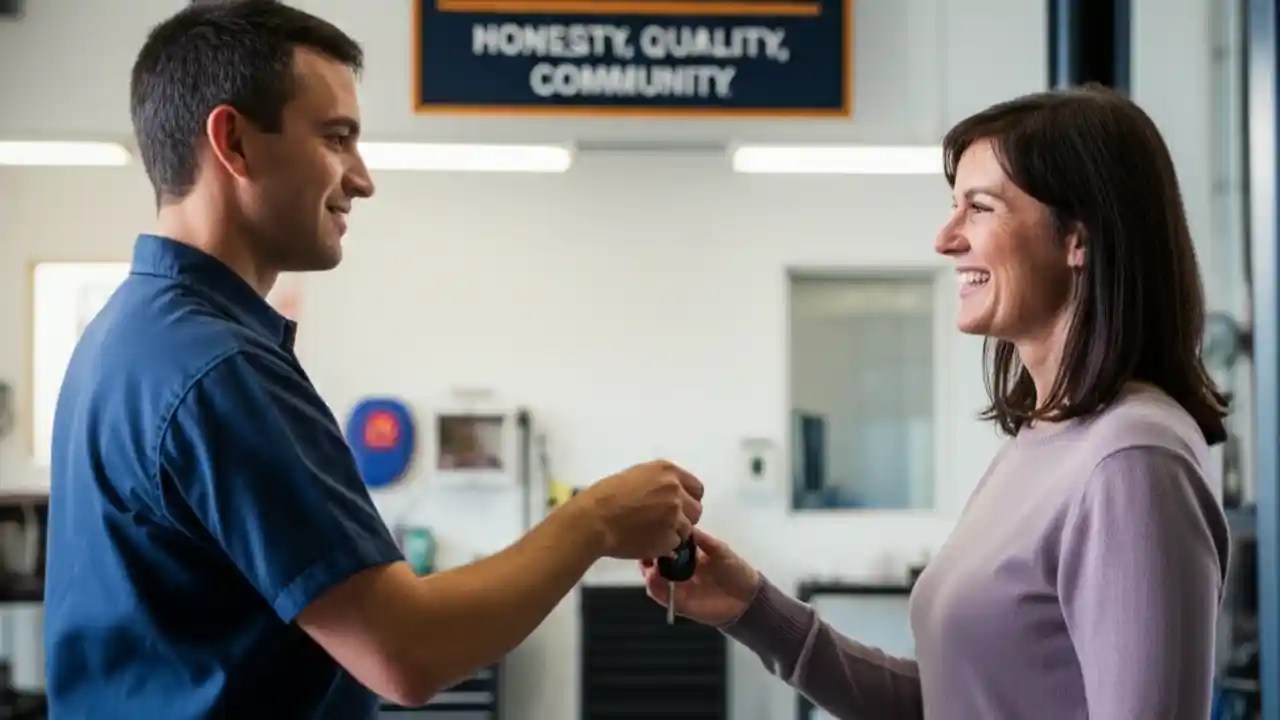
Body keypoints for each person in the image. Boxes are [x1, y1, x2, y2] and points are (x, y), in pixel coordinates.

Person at [42, 2, 703, 718]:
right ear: (234, 142)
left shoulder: (125, 335)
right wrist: (596, 520)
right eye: (336, 139)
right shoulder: (217, 367)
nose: (361, 179)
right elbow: (406, 651)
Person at [643, 84, 1232, 720]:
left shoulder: (1131, 459)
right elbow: (952, 703)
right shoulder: (1044, 442)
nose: (946, 238)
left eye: (979, 208)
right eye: (955, 207)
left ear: (1077, 237)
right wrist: (753, 609)